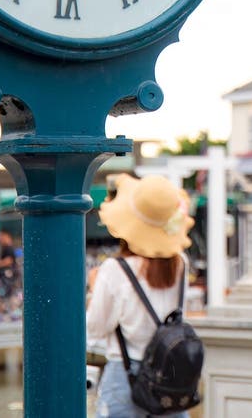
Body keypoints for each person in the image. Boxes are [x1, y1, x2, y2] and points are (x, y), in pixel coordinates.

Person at [86, 174, 194, 418]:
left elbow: (95, 328)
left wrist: (94, 289)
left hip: (126, 377)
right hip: (172, 377)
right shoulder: (181, 264)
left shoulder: (115, 269)